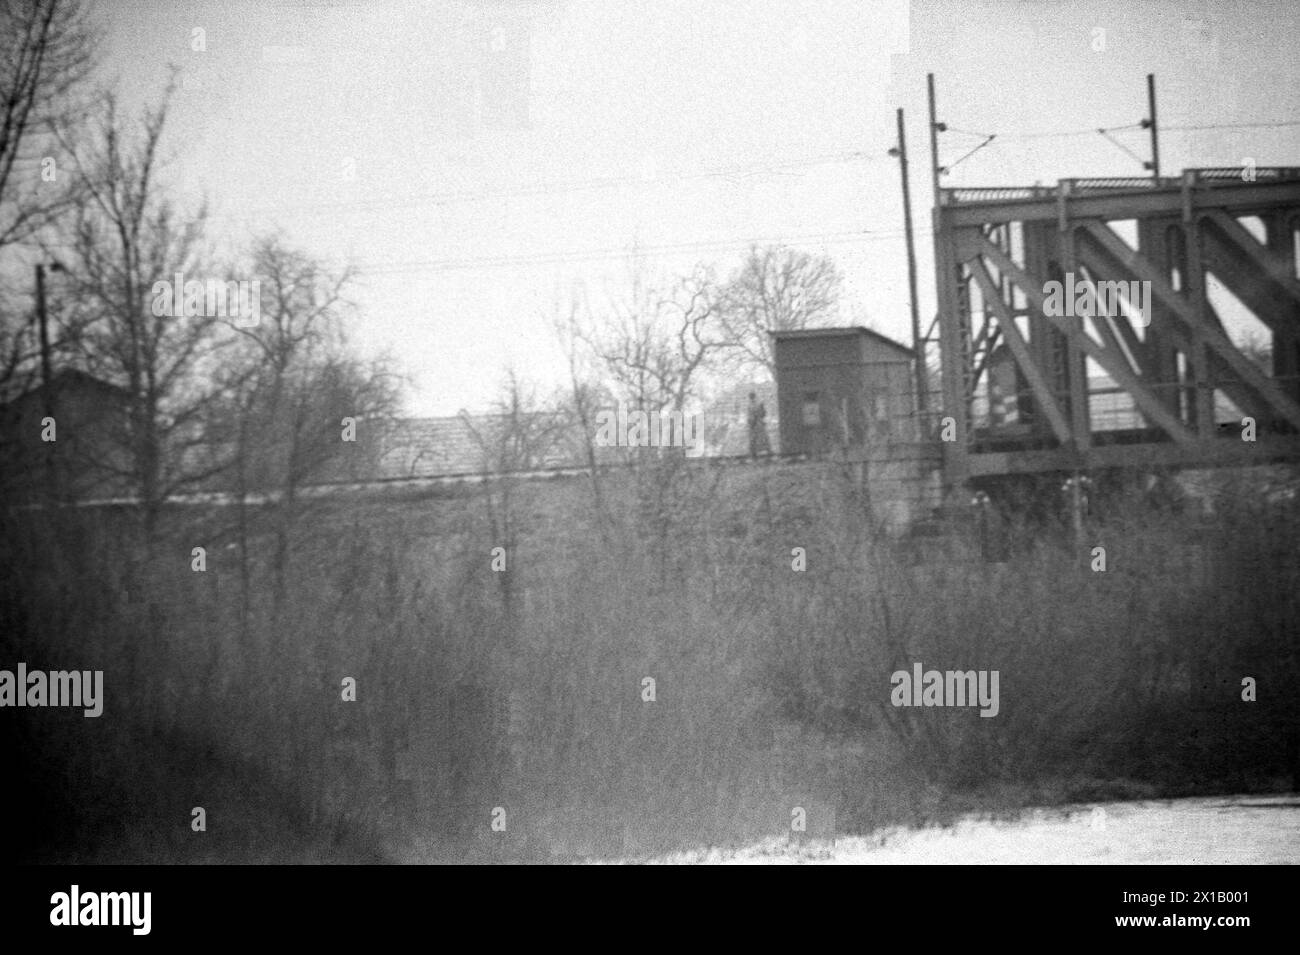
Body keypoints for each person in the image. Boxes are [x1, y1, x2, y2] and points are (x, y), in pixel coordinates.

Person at [747, 391, 771, 459]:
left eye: (751, 397)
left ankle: (765, 452)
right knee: (757, 438)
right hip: (755, 423)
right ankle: (755, 453)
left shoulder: (757, 404)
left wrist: (755, 418)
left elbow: (763, 413)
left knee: (760, 437)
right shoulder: (751, 404)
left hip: (757, 423)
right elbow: (763, 413)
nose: (751, 398)